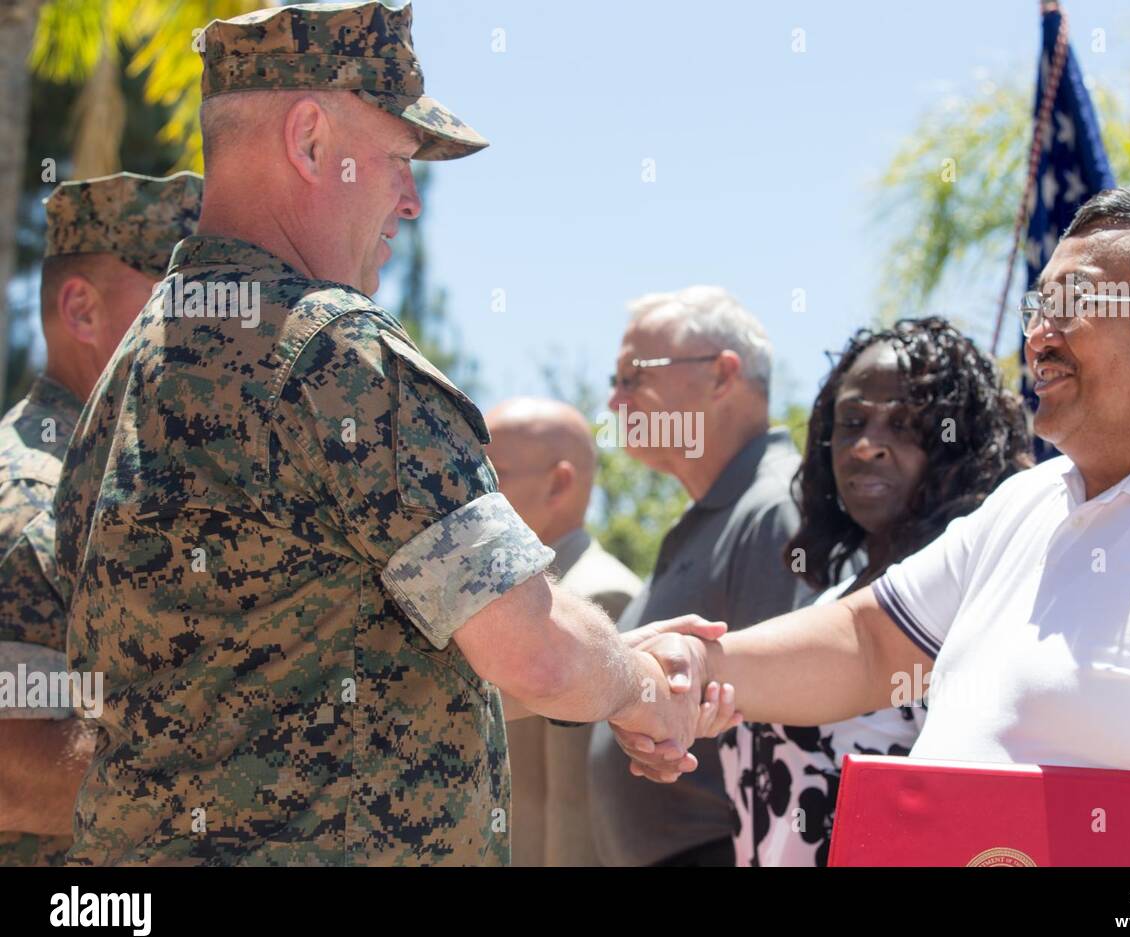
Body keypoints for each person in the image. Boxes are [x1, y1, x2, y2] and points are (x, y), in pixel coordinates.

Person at [52, 1, 725, 867]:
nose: (408, 201)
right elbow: (532, 650)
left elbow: (346, 666)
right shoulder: (329, 344)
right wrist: (638, 686)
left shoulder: (120, 378)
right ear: (307, 141)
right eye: (400, 161)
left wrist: (619, 664)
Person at [621, 188, 1130, 867]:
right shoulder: (1028, 504)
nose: (1038, 337)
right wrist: (704, 665)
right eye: (1037, 309)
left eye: (1077, 305)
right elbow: (871, 648)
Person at [720, 317, 1032, 866]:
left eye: (906, 425)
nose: (868, 447)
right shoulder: (830, 602)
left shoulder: (977, 607)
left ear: (966, 444)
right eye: (852, 421)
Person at [0, 171, 202, 867]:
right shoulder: (39, 500)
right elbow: (10, 769)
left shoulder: (104, 486)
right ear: (81, 311)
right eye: (177, 301)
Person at [588, 285, 805, 867]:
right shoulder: (708, 517)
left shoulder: (775, 509)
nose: (614, 402)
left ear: (721, 375)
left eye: (633, 377)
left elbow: (792, 725)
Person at [484, 397, 643, 866]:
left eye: (491, 475)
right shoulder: (518, 597)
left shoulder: (600, 599)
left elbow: (575, 805)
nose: (469, 495)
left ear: (559, 483)